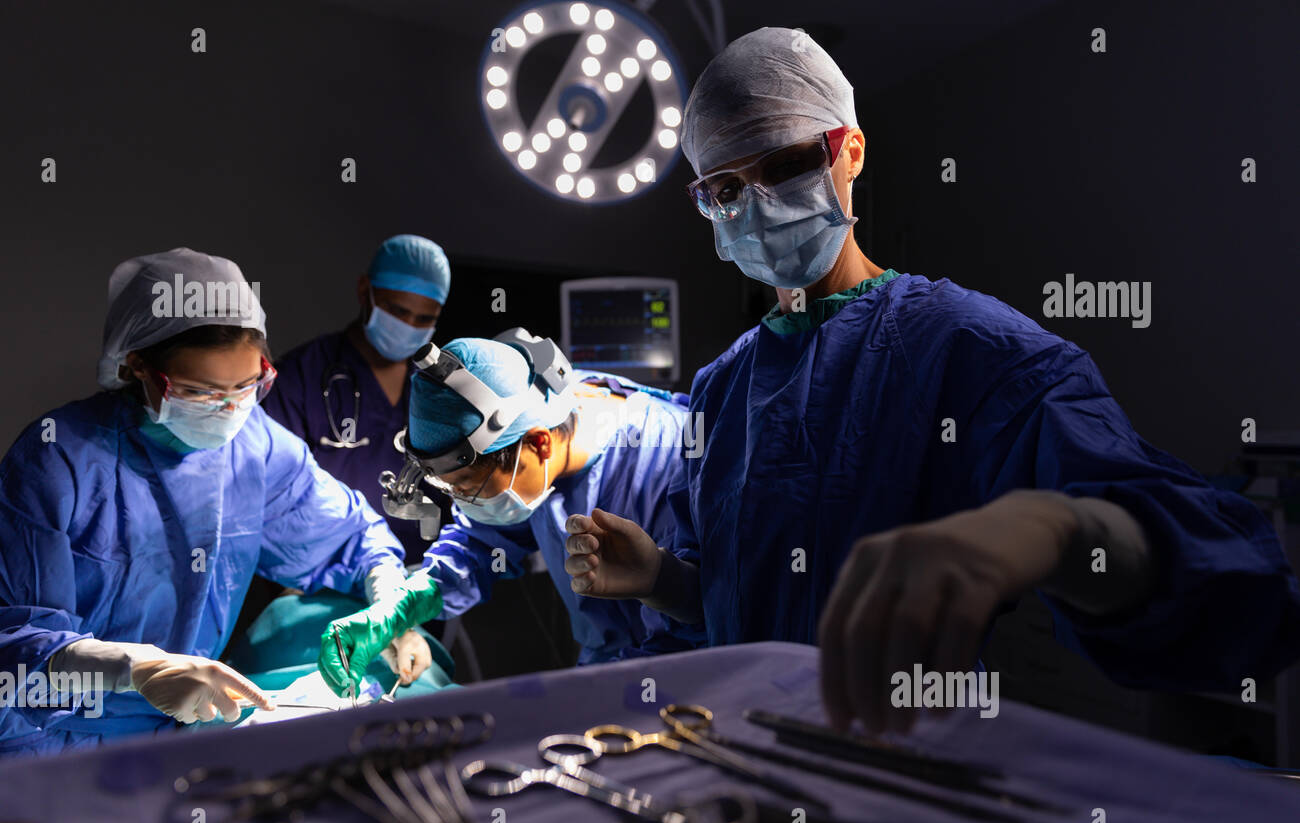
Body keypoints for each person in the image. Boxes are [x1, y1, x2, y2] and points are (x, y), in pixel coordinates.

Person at [562, 27, 1300, 735]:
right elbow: (743, 610)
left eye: (784, 166)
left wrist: (1058, 528)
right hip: (748, 755)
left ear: (848, 152)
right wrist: (663, 578)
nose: (754, 205)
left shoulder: (968, 347)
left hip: (908, 768)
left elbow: (1227, 582)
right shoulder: (723, 389)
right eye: (725, 187)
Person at [0, 248, 441, 758]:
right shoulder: (58, 458)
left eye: (247, 386)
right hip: (47, 745)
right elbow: (14, 642)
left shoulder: (256, 447)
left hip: (182, 734)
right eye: (201, 393)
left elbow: (354, 538)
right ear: (136, 366)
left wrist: (391, 612)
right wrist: (135, 671)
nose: (230, 411)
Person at [317, 332, 705, 696]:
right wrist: (402, 605)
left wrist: (606, 702)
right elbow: (480, 542)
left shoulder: (668, 460)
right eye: (452, 489)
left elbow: (699, 621)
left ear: (539, 444)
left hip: (689, 681)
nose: (463, 501)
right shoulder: (535, 412)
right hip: (605, 672)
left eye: (469, 486)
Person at [262, 234, 451, 563]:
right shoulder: (300, 377)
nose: (408, 326)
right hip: (324, 580)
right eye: (397, 311)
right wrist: (292, 591)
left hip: (420, 576)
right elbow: (270, 496)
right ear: (365, 291)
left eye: (424, 320)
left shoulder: (439, 388)